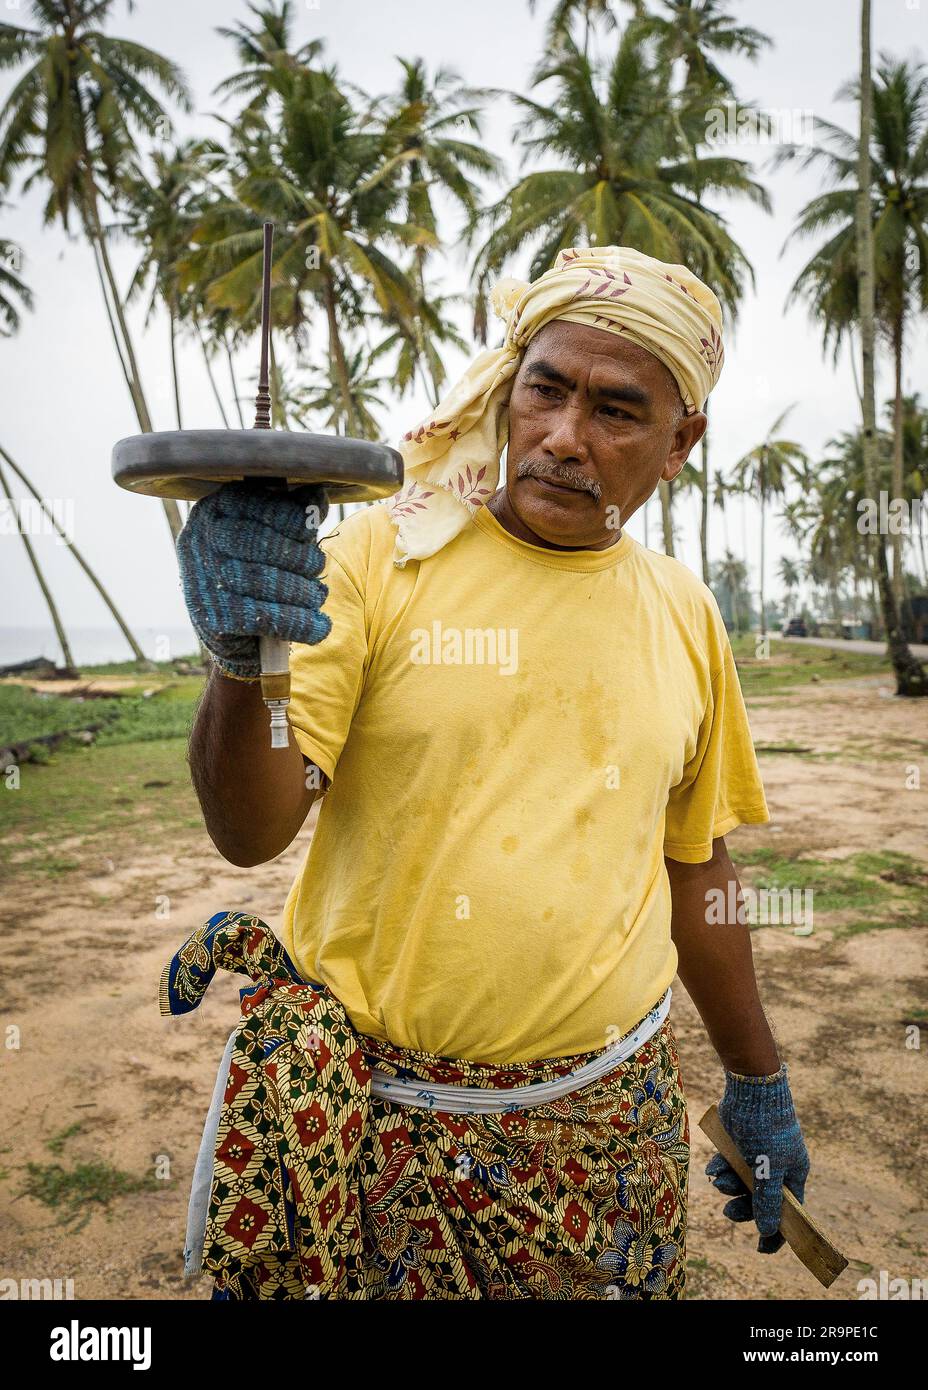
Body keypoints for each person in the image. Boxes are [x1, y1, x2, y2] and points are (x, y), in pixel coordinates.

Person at [175, 244, 810, 1301]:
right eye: (545, 391)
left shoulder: (683, 612)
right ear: (507, 392)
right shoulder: (381, 560)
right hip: (374, 1143)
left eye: (615, 410)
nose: (563, 438)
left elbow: (696, 864)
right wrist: (244, 665)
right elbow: (250, 827)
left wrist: (758, 1080)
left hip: (607, 1136)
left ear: (679, 442)